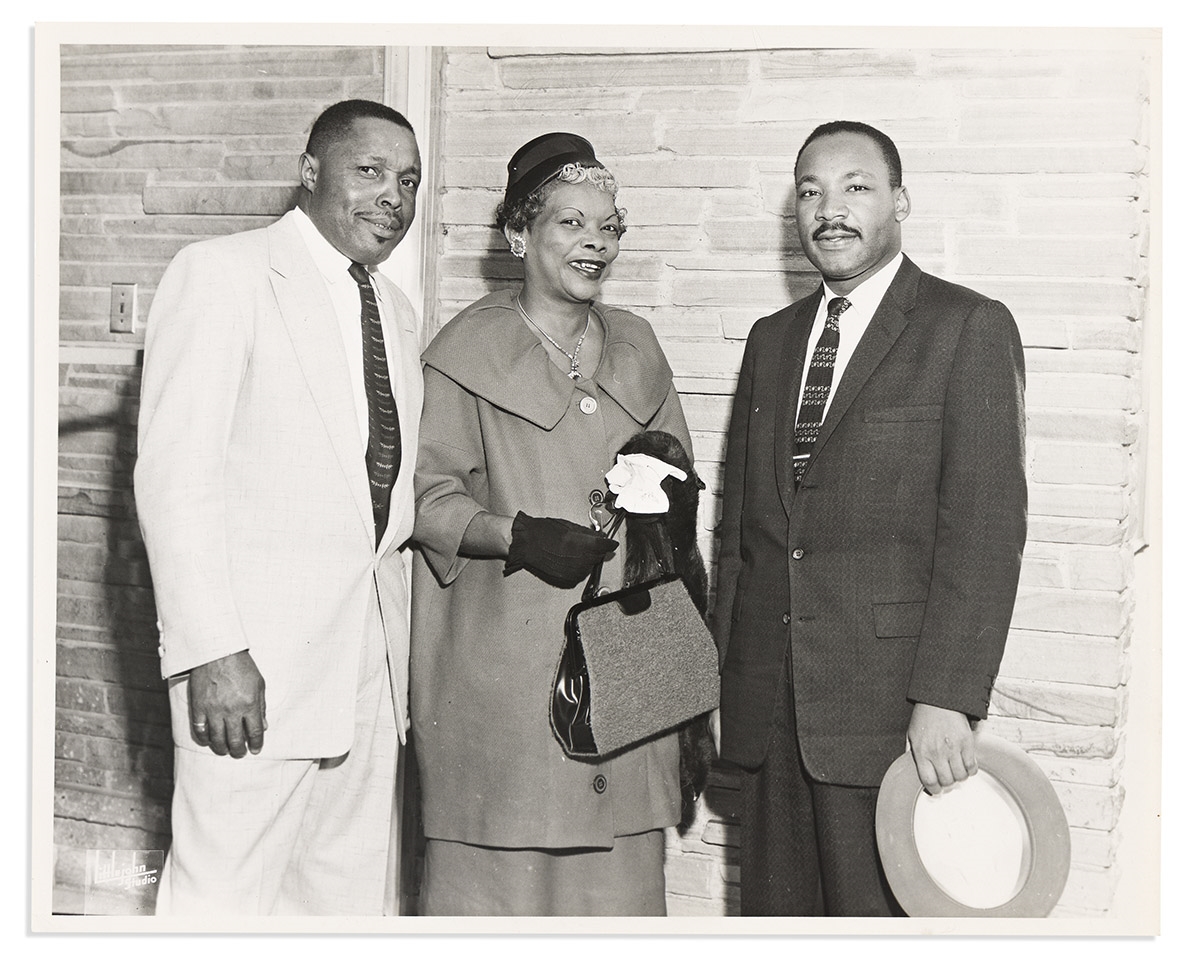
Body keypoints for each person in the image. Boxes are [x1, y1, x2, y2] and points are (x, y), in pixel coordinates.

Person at [712, 120, 1027, 916]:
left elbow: (984, 529)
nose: (831, 210)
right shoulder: (772, 340)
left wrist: (947, 696)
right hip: (770, 715)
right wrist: (722, 686)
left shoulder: (966, 326)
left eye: (856, 187)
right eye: (811, 192)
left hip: (890, 716)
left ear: (900, 201)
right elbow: (741, 534)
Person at [134, 99, 424, 915]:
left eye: (408, 182)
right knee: (219, 901)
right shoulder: (222, 272)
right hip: (251, 672)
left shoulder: (395, 313)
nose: (393, 198)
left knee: (343, 906)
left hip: (369, 673)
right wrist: (213, 650)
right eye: (369, 171)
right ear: (310, 171)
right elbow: (174, 478)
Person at [409, 132, 693, 916]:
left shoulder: (639, 346)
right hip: (506, 669)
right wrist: (517, 535)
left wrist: (666, 488)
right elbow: (425, 499)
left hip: (632, 664)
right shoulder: (464, 352)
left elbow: (679, 494)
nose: (594, 242)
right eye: (570, 223)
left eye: (608, 225)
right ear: (517, 235)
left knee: (620, 896)